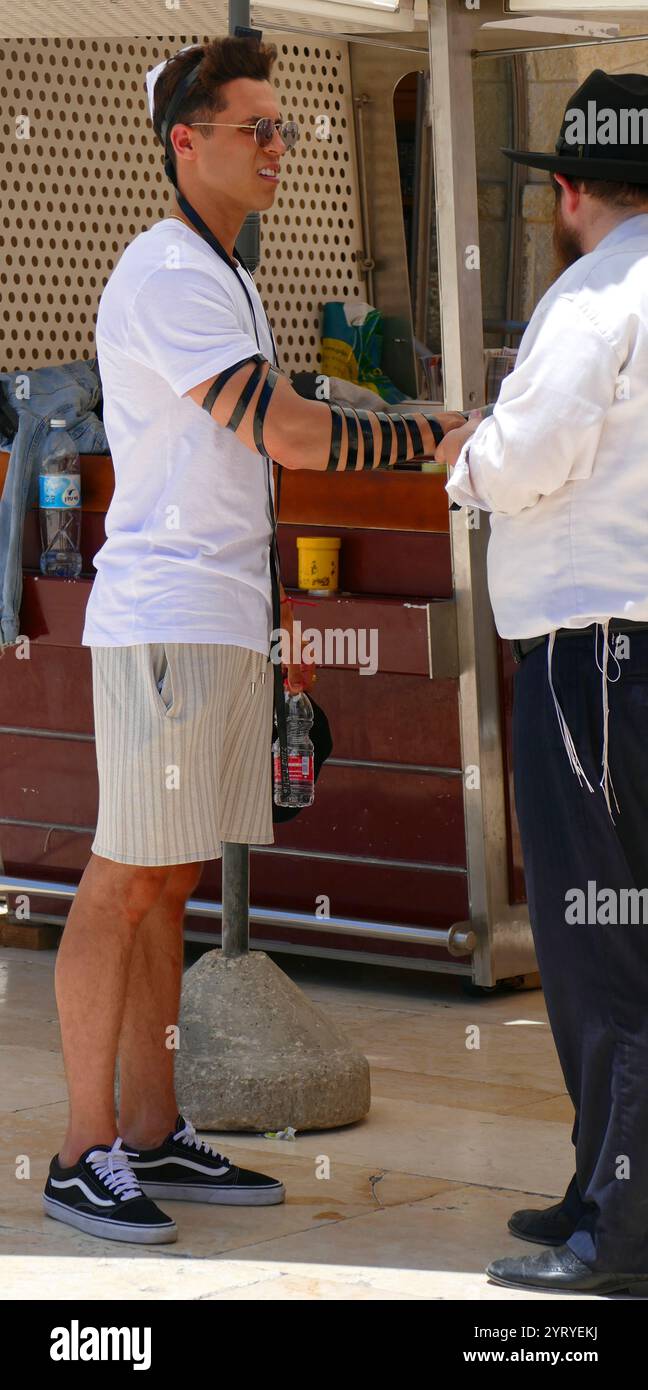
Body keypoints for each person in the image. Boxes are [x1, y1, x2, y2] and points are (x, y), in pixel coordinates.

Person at [44, 34, 459, 1245]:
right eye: (257, 129)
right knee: (125, 879)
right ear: (188, 142)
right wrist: (431, 438)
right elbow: (281, 433)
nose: (283, 145)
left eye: (285, 127)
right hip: (166, 622)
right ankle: (81, 1151)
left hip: (216, 619)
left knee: (167, 882)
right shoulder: (169, 273)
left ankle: (153, 1126)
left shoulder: (226, 272)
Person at [438, 69, 648, 1295]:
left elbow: (531, 458)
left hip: (593, 663)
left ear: (568, 192)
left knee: (599, 940)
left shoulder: (590, 294)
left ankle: (614, 1234)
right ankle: (599, 1184)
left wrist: (469, 459)